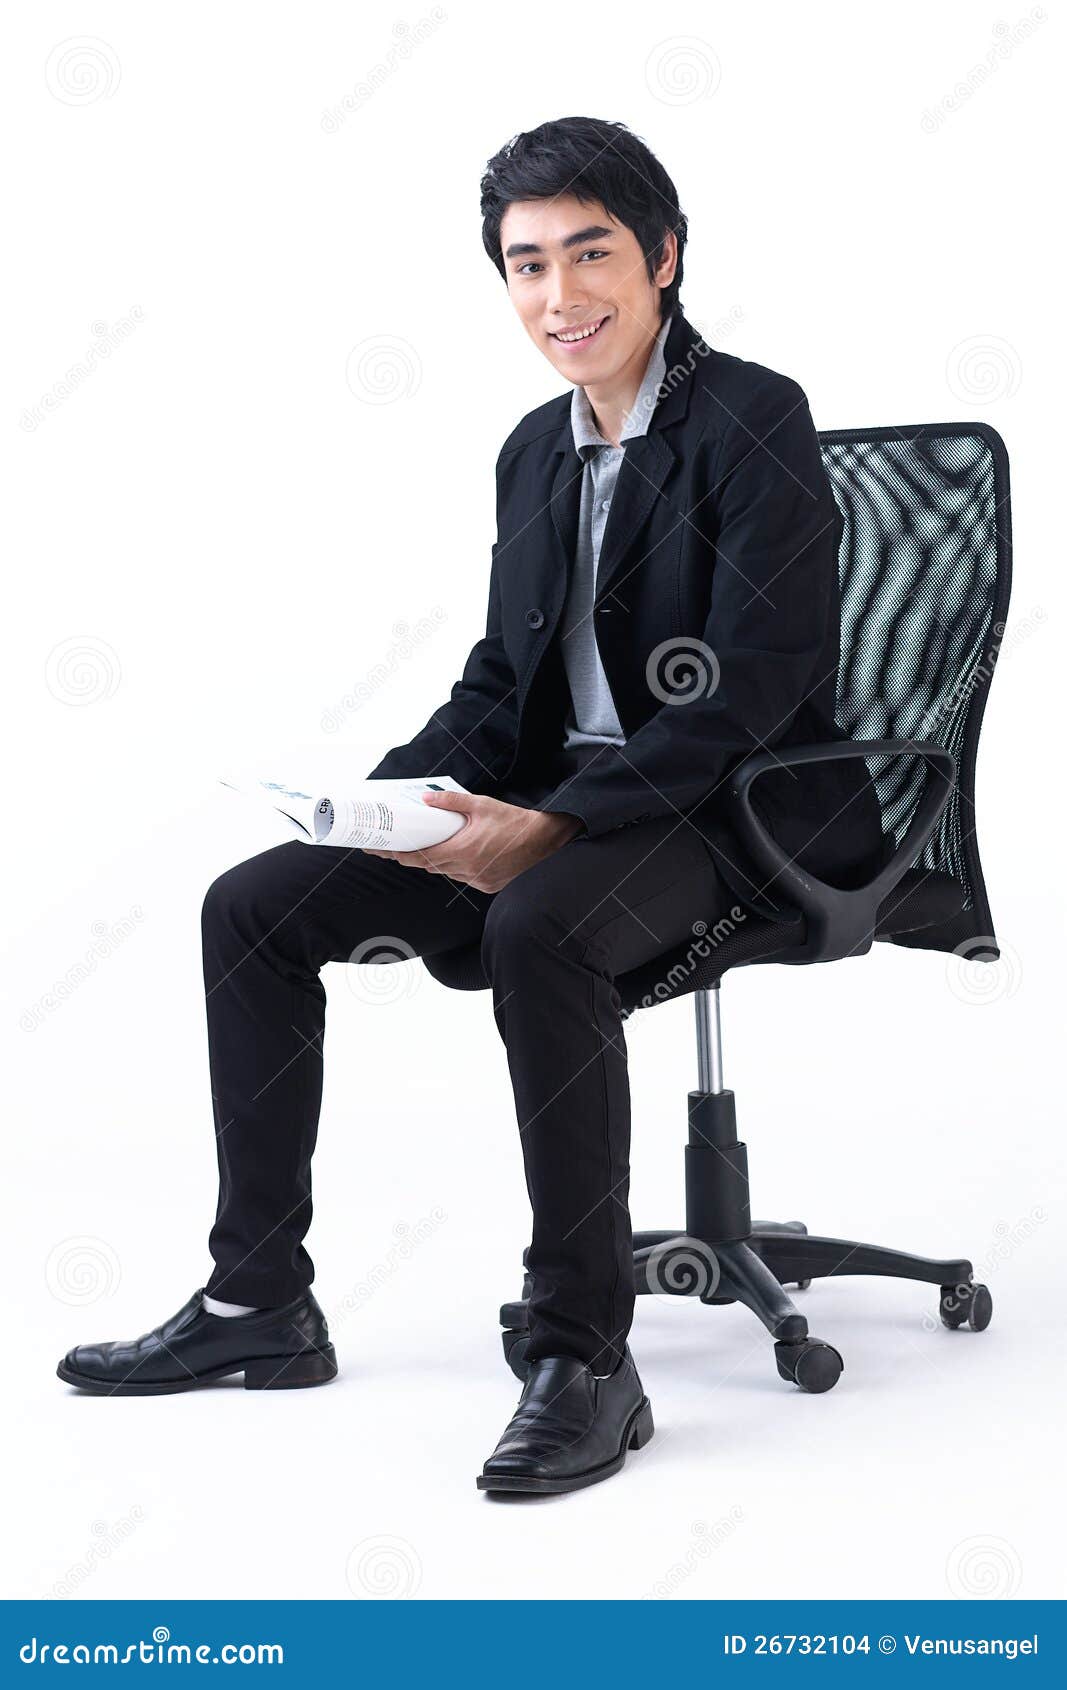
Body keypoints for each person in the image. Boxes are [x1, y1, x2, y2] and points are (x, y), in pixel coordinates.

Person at [56, 116, 884, 1496]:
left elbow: (748, 689)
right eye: (526, 264)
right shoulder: (533, 451)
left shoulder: (756, 420)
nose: (561, 298)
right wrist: (391, 801)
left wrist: (549, 826)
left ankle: (583, 1354)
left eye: (593, 255)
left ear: (666, 257)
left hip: (734, 816)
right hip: (569, 802)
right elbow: (506, 681)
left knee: (538, 929)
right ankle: (260, 1303)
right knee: (255, 904)